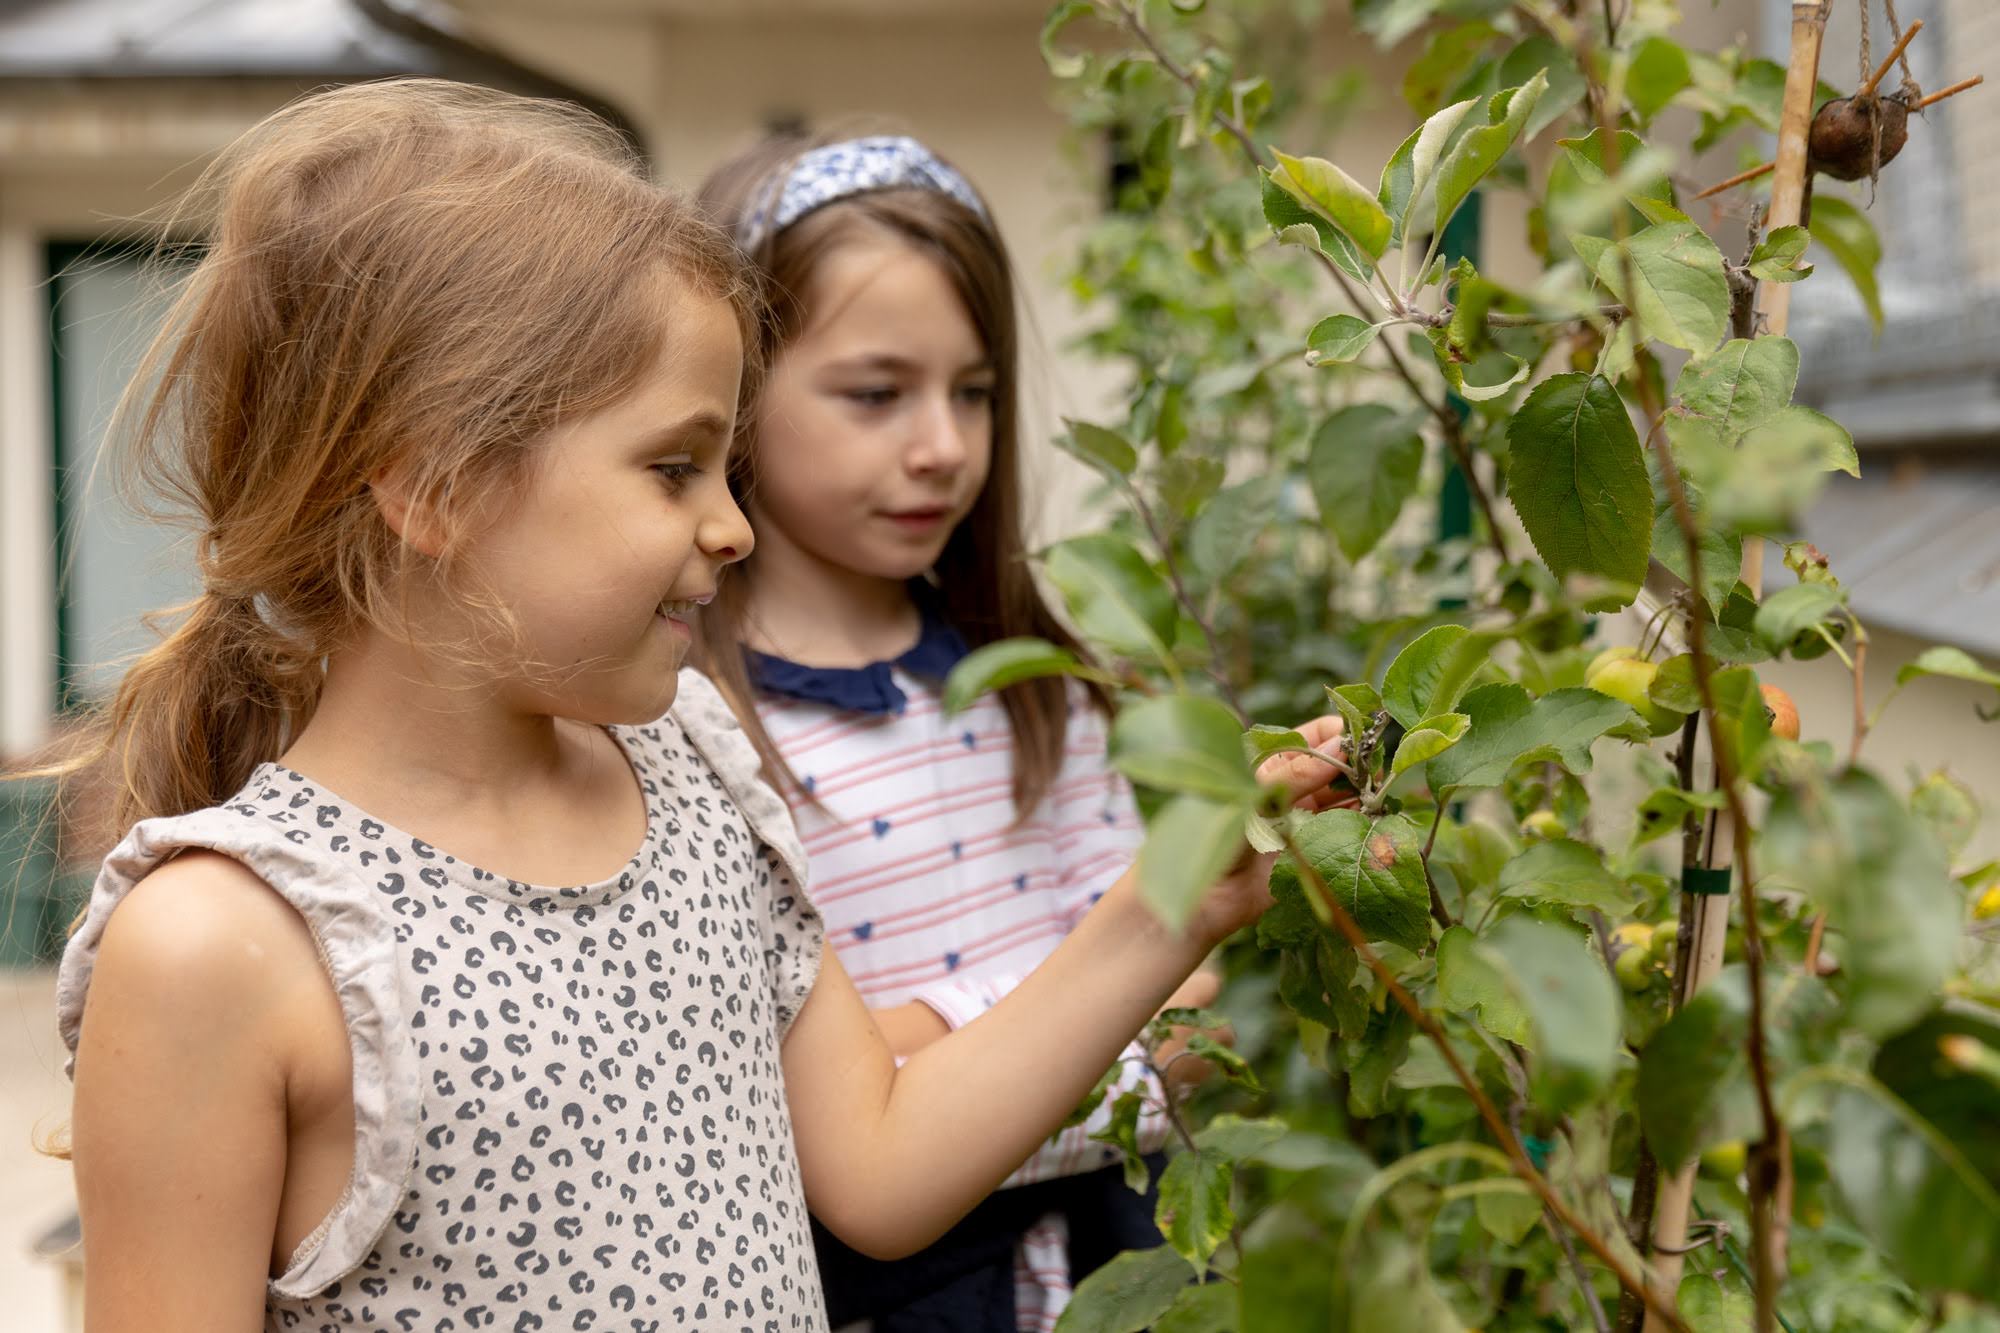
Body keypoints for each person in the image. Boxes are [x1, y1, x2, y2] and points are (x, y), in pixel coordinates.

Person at [42, 83, 1343, 1332]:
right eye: (673, 468)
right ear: (430, 487)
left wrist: (1179, 903)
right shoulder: (220, 945)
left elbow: (884, 1175)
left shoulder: (692, 766)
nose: (731, 525)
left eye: (724, 463)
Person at [690, 133, 1332, 1331]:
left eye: (972, 391)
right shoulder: (700, 727)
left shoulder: (1036, 688)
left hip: (1113, 1275)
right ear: (732, 391)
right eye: (876, 392)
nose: (940, 443)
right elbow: (779, 1130)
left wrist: (924, 1039)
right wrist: (1076, 996)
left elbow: (1188, 1019)